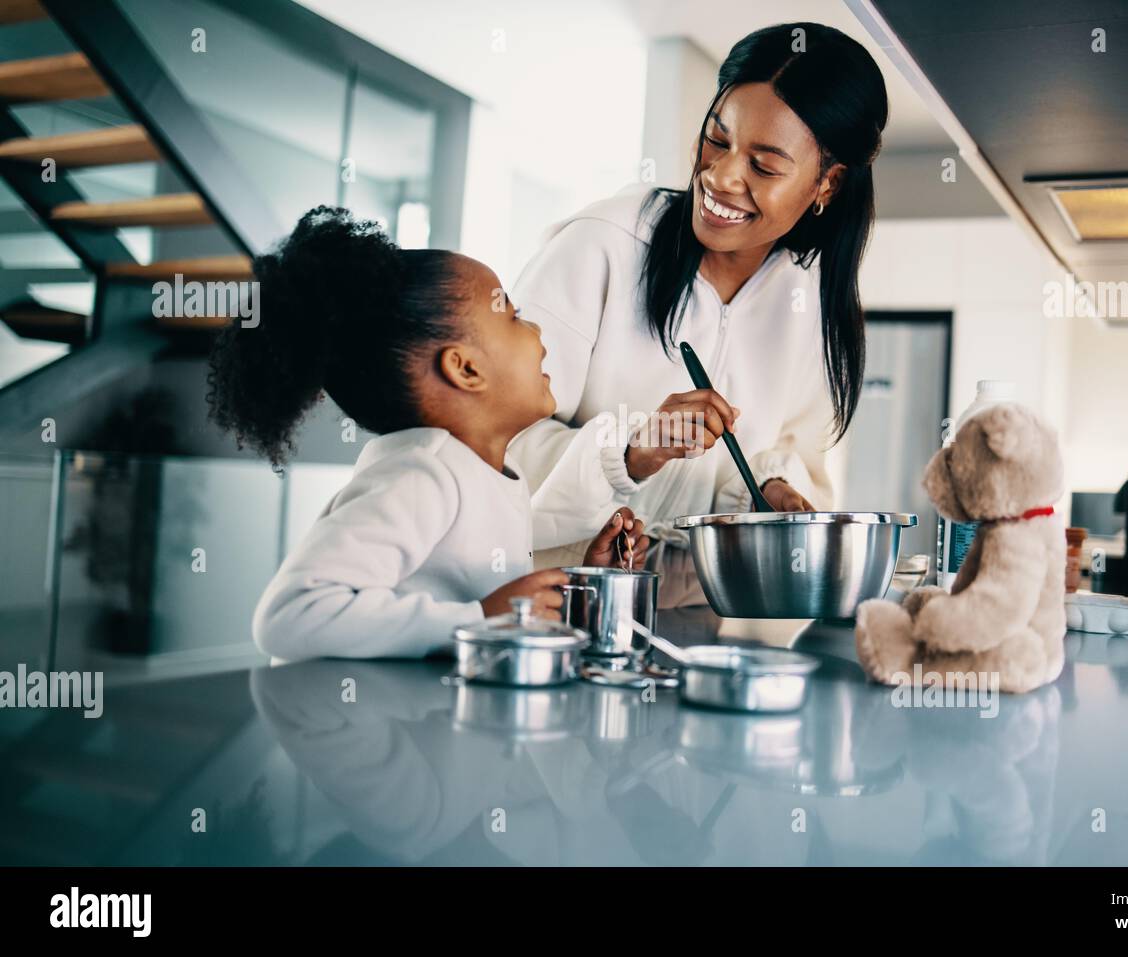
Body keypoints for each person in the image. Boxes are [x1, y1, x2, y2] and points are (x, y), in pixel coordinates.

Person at [509, 22, 888, 607]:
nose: (720, 176)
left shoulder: (808, 301)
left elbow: (791, 450)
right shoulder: (601, 245)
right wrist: (631, 452)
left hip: (708, 611)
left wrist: (773, 487)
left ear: (828, 184)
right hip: (559, 603)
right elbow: (494, 437)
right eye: (717, 138)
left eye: (763, 166)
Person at [207, 206, 649, 660]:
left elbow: (478, 585)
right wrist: (479, 620)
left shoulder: (490, 471)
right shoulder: (421, 473)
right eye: (513, 317)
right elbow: (290, 616)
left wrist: (583, 576)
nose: (536, 329)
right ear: (465, 368)